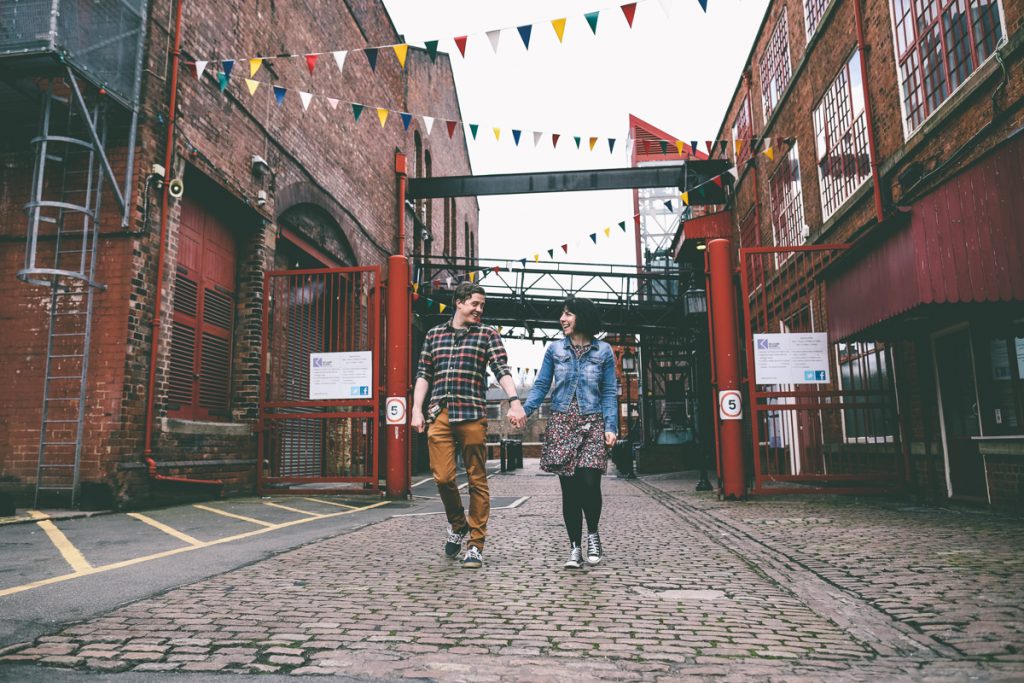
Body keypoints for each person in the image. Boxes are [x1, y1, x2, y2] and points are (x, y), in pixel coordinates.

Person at [411, 282, 525, 569]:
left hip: (472, 413)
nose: (479, 310)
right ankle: (458, 523)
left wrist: (514, 400)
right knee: (443, 477)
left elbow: (502, 369)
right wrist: (416, 409)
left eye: (482, 306)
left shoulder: (488, 334)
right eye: (475, 304)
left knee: (477, 478)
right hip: (440, 412)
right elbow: (424, 373)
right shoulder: (434, 334)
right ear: (459, 303)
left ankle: (476, 544)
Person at [511, 296, 618, 569]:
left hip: (593, 422)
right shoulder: (555, 350)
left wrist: (611, 426)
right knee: (570, 491)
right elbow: (542, 384)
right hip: (562, 423)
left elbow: (608, 392)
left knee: (590, 483)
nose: (563, 318)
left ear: (582, 316)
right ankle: (575, 548)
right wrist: (525, 410)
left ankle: (593, 534)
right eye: (562, 314)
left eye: (568, 313)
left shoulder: (603, 351)